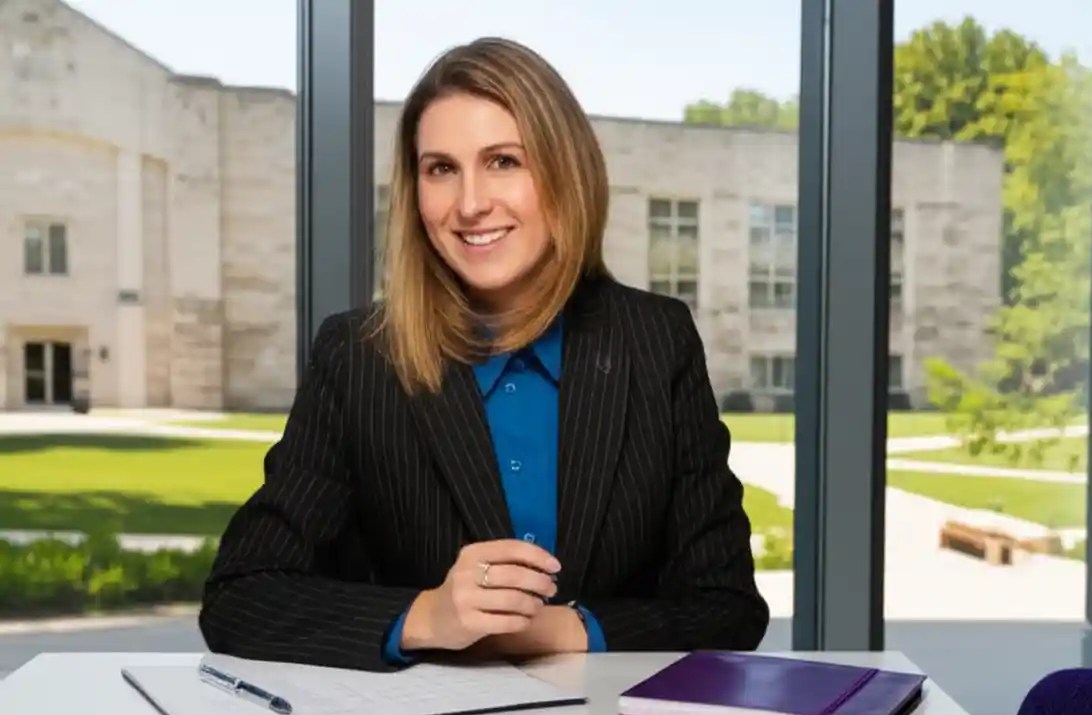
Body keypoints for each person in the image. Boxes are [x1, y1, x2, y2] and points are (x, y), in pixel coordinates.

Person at [198, 36, 769, 672]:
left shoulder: (657, 340)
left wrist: (553, 630)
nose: (469, 204)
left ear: (565, 172)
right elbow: (240, 596)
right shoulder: (358, 356)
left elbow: (727, 608)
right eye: (441, 168)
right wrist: (426, 616)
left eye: (503, 161)